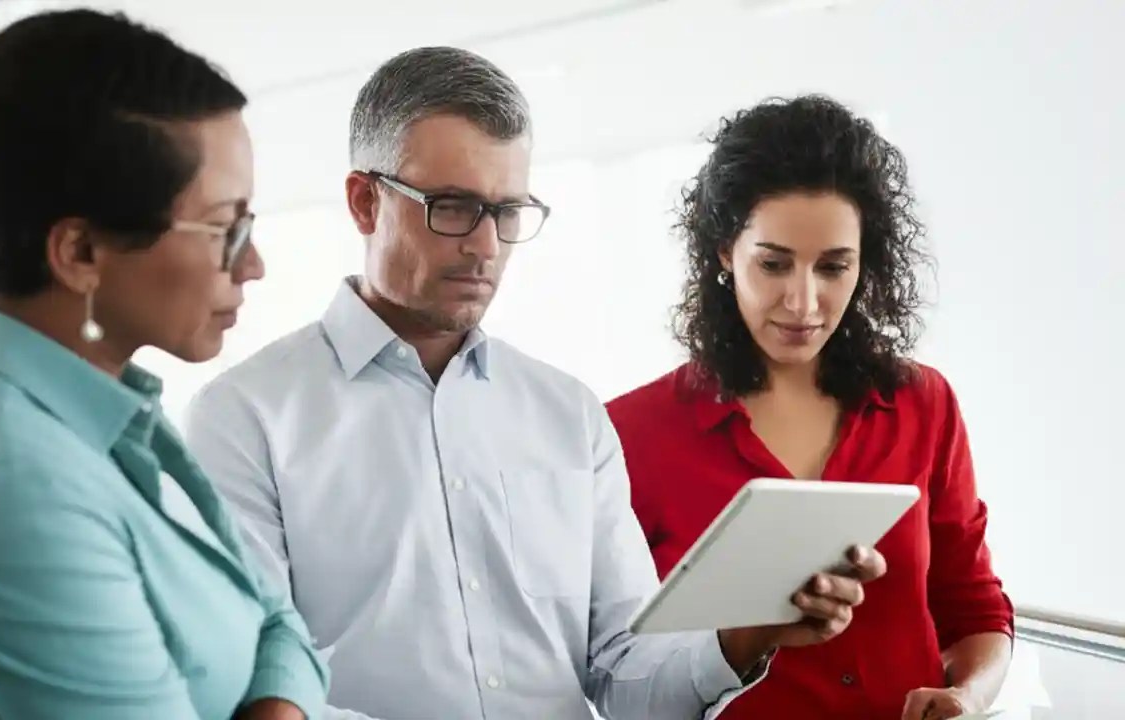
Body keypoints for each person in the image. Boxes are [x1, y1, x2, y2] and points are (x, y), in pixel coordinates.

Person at [186, 47, 884, 720]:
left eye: (507, 212)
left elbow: (627, 675)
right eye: (452, 208)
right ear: (365, 203)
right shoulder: (245, 419)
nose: (486, 246)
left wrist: (744, 635)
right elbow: (260, 690)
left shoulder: (569, 414)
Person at [0, 10, 327, 720]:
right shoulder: (8, 487)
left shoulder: (103, 417)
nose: (253, 264)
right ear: (79, 254)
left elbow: (279, 625)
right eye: (227, 228)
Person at [606, 95, 1014, 720]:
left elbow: (975, 607)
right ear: (723, 253)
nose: (804, 303)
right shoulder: (628, 434)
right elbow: (619, 672)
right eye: (773, 264)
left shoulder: (923, 403)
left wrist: (966, 697)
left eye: (833, 267)